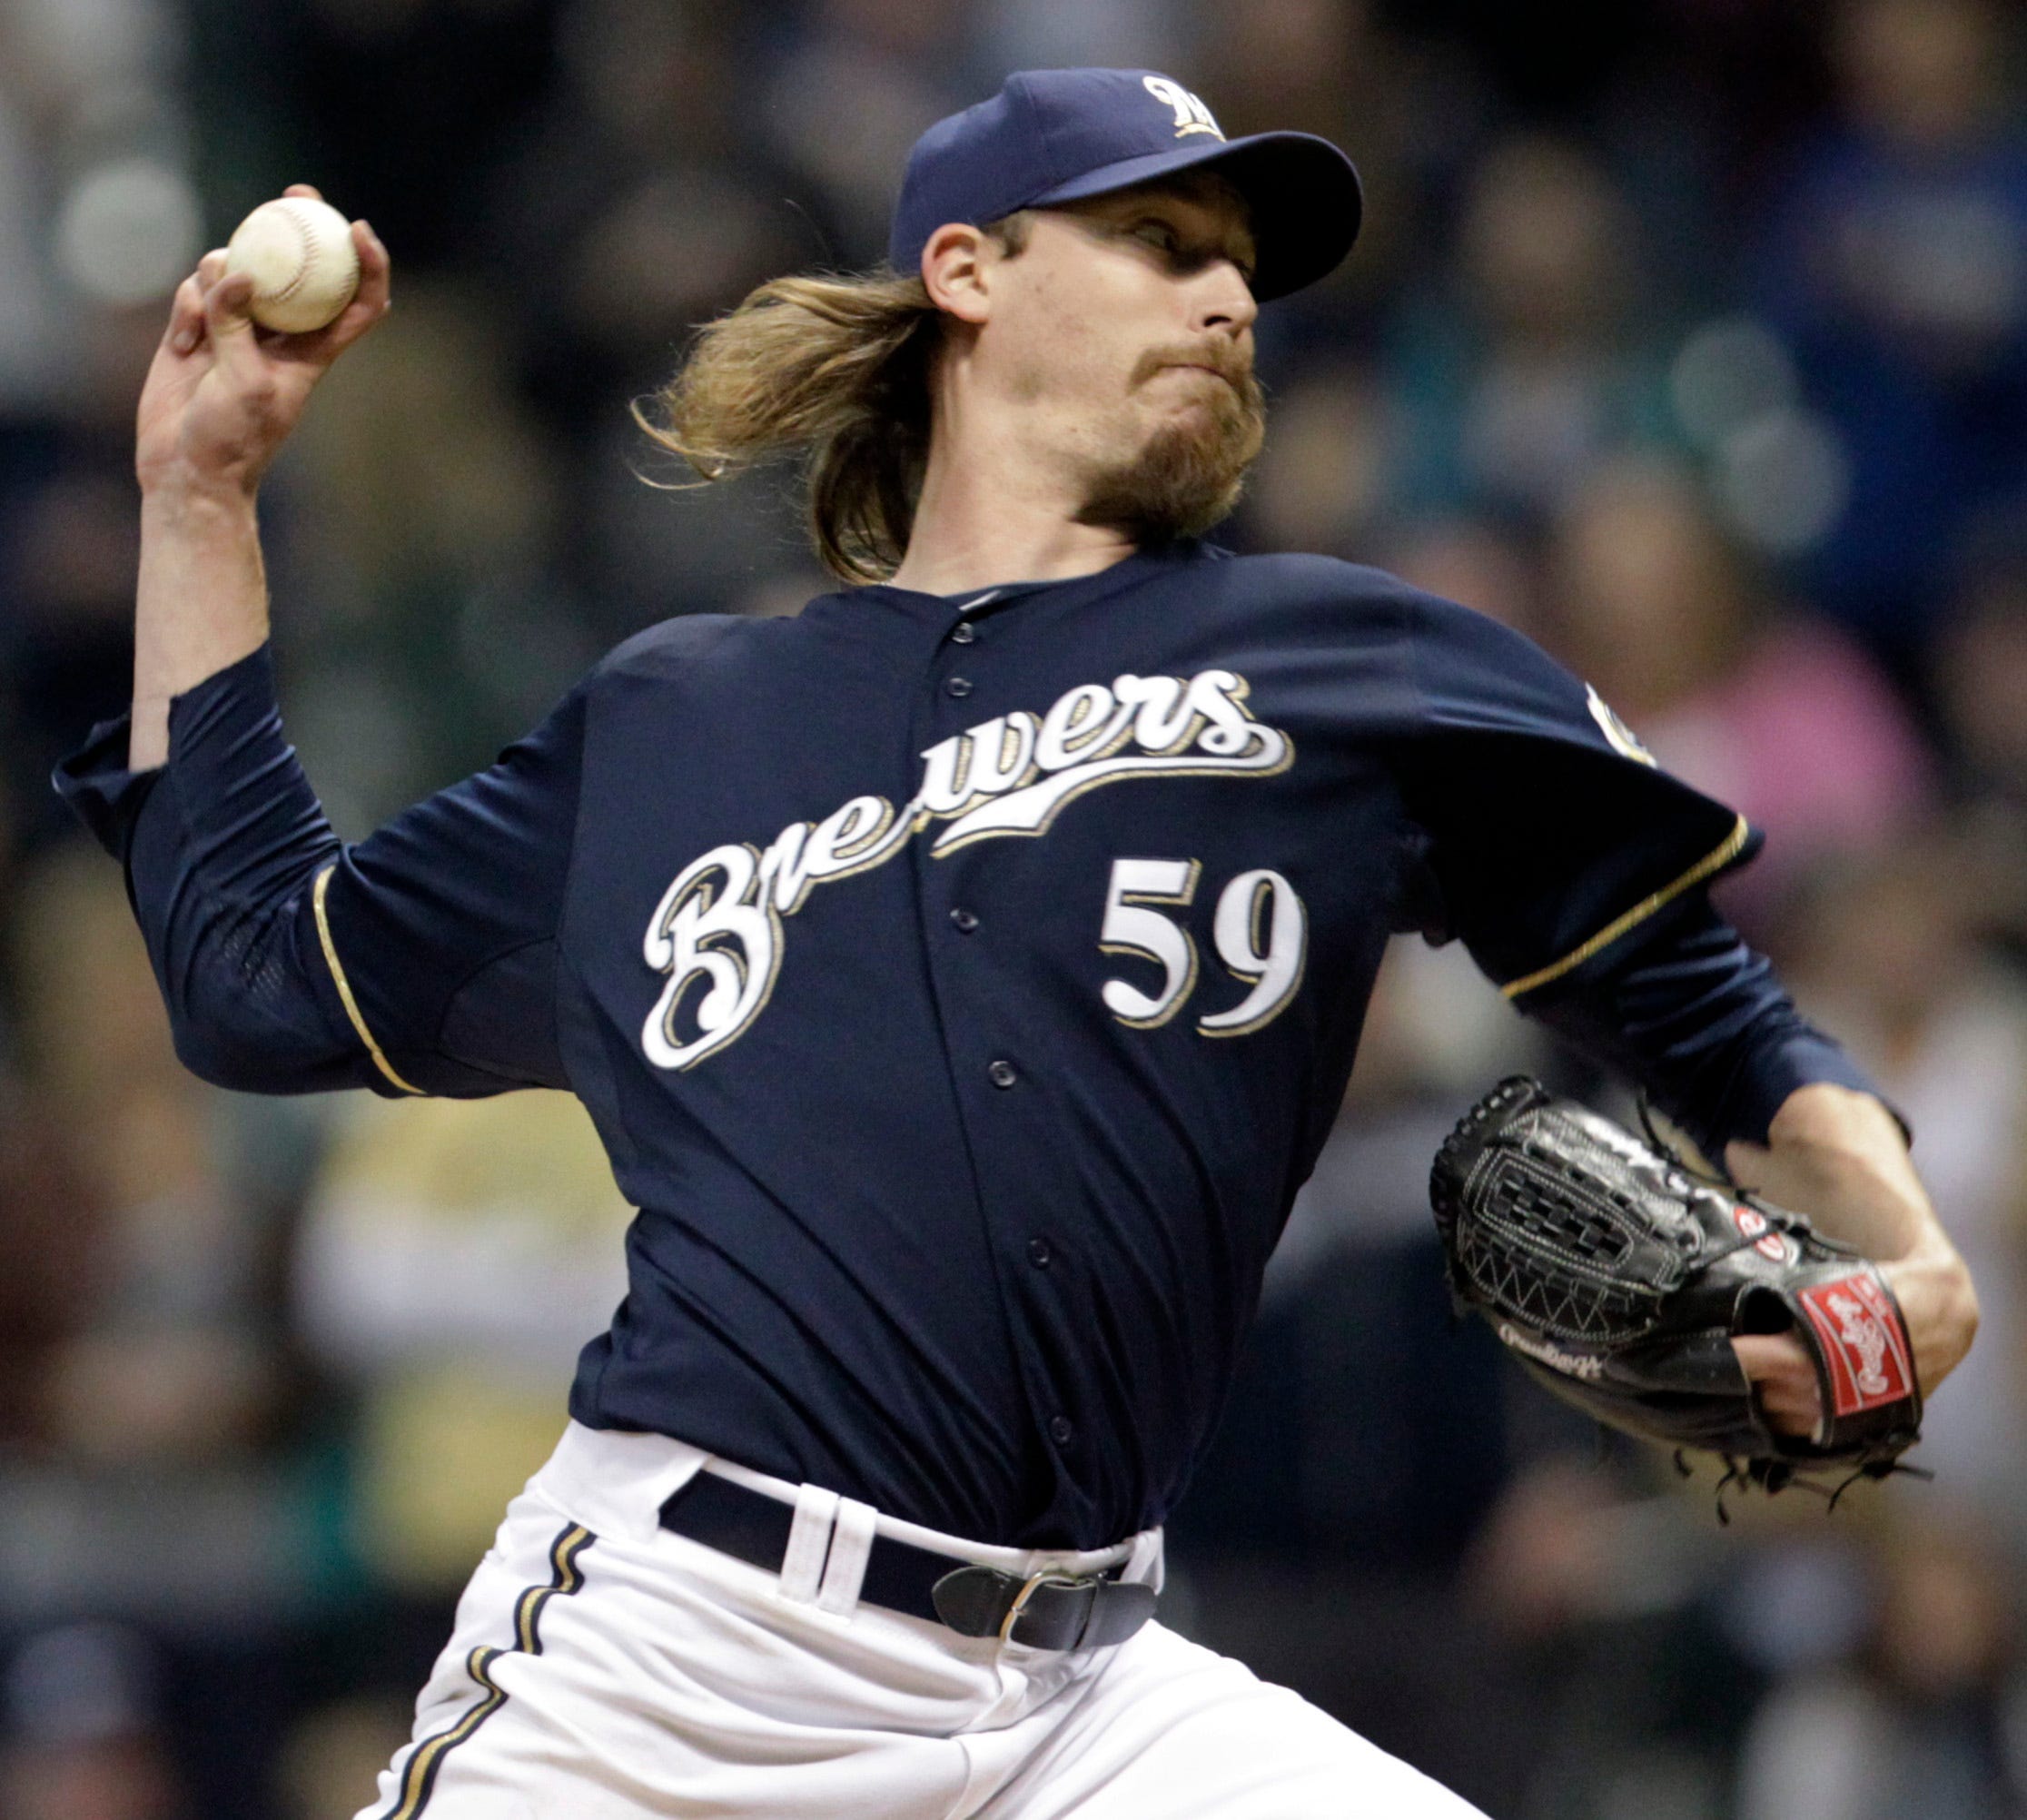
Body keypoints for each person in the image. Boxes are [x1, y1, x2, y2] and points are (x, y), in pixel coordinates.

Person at [56, 67, 1977, 1820]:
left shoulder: (1356, 666)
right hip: (679, 1664)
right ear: (966, 273)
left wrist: (1902, 1250)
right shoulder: (681, 723)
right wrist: (200, 495)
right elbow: (258, 979)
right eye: (1160, 243)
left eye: (1241, 270)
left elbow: (1705, 1010)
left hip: (1090, 1702)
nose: (1227, 300)